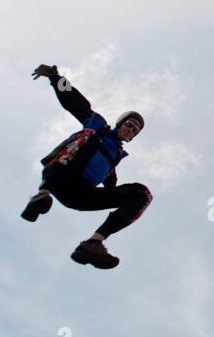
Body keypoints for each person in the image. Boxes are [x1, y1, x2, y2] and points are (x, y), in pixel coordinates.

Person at [21, 64, 151, 270]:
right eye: (128, 124)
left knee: (141, 194)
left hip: (80, 195)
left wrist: (124, 205)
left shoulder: (114, 159)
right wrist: (55, 78)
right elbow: (76, 103)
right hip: (61, 176)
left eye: (134, 130)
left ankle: (94, 243)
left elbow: (112, 193)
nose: (130, 130)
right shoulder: (99, 128)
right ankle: (41, 195)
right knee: (88, 136)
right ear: (120, 123)